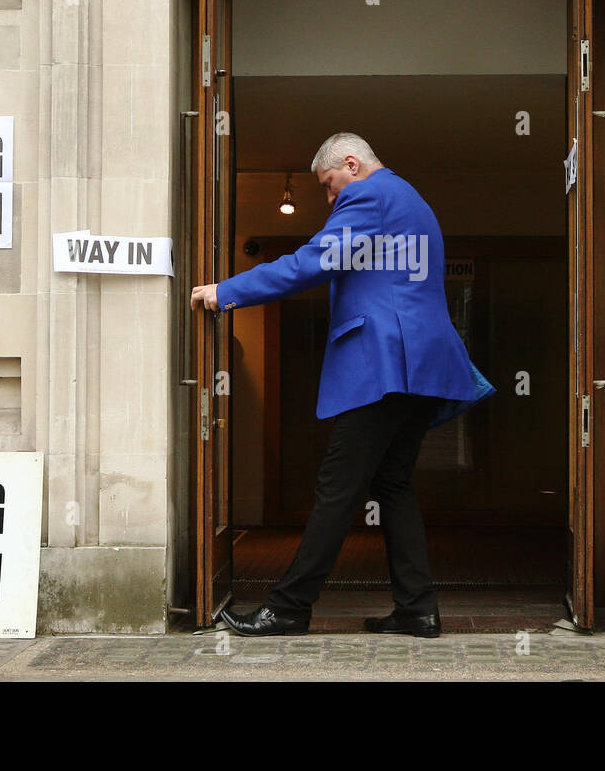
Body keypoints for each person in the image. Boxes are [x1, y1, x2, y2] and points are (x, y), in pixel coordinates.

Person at [190, 131, 493, 637]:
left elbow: (313, 262)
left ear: (351, 164)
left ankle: (289, 608)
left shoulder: (370, 194)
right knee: (392, 484)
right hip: (421, 367)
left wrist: (228, 290)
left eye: (330, 186)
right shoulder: (410, 197)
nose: (331, 200)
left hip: (387, 366)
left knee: (337, 487)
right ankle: (417, 609)